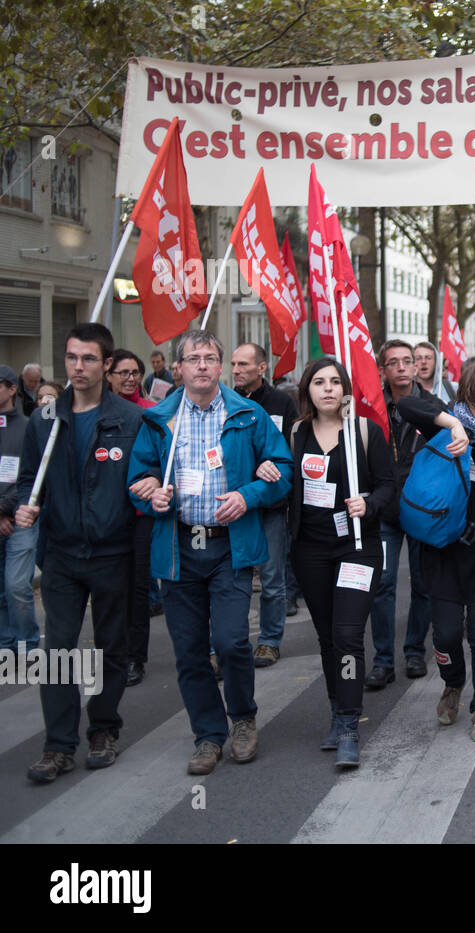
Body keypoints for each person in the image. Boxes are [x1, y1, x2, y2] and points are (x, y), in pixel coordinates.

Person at [128, 331, 293, 775]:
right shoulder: (159, 419)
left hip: (229, 548)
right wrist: (149, 496)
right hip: (178, 547)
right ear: (178, 368)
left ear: (221, 367)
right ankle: (207, 734)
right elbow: (139, 477)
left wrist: (251, 494)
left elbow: (284, 472)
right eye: (193, 358)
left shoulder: (249, 414)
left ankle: (242, 719)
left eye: (210, 358)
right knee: (190, 650)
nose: (202, 365)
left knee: (231, 641)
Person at [17, 324, 141, 782]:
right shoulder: (44, 420)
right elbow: (29, 480)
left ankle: (104, 729)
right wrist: (22, 507)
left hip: (113, 554)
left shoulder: (129, 421)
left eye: (88, 359)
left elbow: (142, 485)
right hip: (63, 555)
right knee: (58, 651)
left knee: (112, 649)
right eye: (71, 357)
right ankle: (58, 745)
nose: (78, 367)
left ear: (107, 364)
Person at [398, 362, 475, 744]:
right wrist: (453, 425)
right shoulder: (447, 423)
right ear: (471, 392)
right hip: (443, 547)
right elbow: (405, 406)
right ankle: (453, 683)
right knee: (448, 634)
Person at [287, 358, 396, 767]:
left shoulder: (365, 432)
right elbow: (286, 482)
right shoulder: (296, 432)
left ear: (346, 389)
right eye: (319, 382)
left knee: (349, 634)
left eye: (335, 381)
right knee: (328, 637)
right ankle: (336, 711)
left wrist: (369, 503)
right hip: (310, 551)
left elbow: (389, 486)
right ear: (308, 390)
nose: (328, 388)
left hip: (357, 548)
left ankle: (350, 724)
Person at [369, 339, 436, 688]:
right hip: (383, 510)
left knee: (423, 584)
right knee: (382, 583)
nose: (400, 367)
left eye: (406, 361)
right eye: (392, 362)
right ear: (383, 369)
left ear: (415, 367)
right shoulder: (371, 404)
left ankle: (414, 650)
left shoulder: (431, 405)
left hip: (422, 508)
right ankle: (382, 660)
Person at [231, 343, 298, 669]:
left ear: (261, 368)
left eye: (243, 364)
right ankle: (231, 641)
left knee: (272, 578)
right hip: (233, 507)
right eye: (233, 364)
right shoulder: (225, 403)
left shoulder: (282, 403)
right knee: (233, 580)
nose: (236, 370)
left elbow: (288, 453)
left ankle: (270, 641)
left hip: (270, 506)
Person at [106, 350, 157, 687]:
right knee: (110, 589)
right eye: (122, 372)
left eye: (135, 372)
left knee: (138, 588)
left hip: (141, 514)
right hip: (106, 516)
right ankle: (111, 652)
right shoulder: (96, 412)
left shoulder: (151, 412)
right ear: (109, 375)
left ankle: (135, 658)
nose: (129, 378)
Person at [0, 365, 39, 657]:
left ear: (12, 389)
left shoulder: (29, 428)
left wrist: (6, 510)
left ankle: (27, 643)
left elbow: (31, 477)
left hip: (22, 519)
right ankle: (5, 644)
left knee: (16, 585)